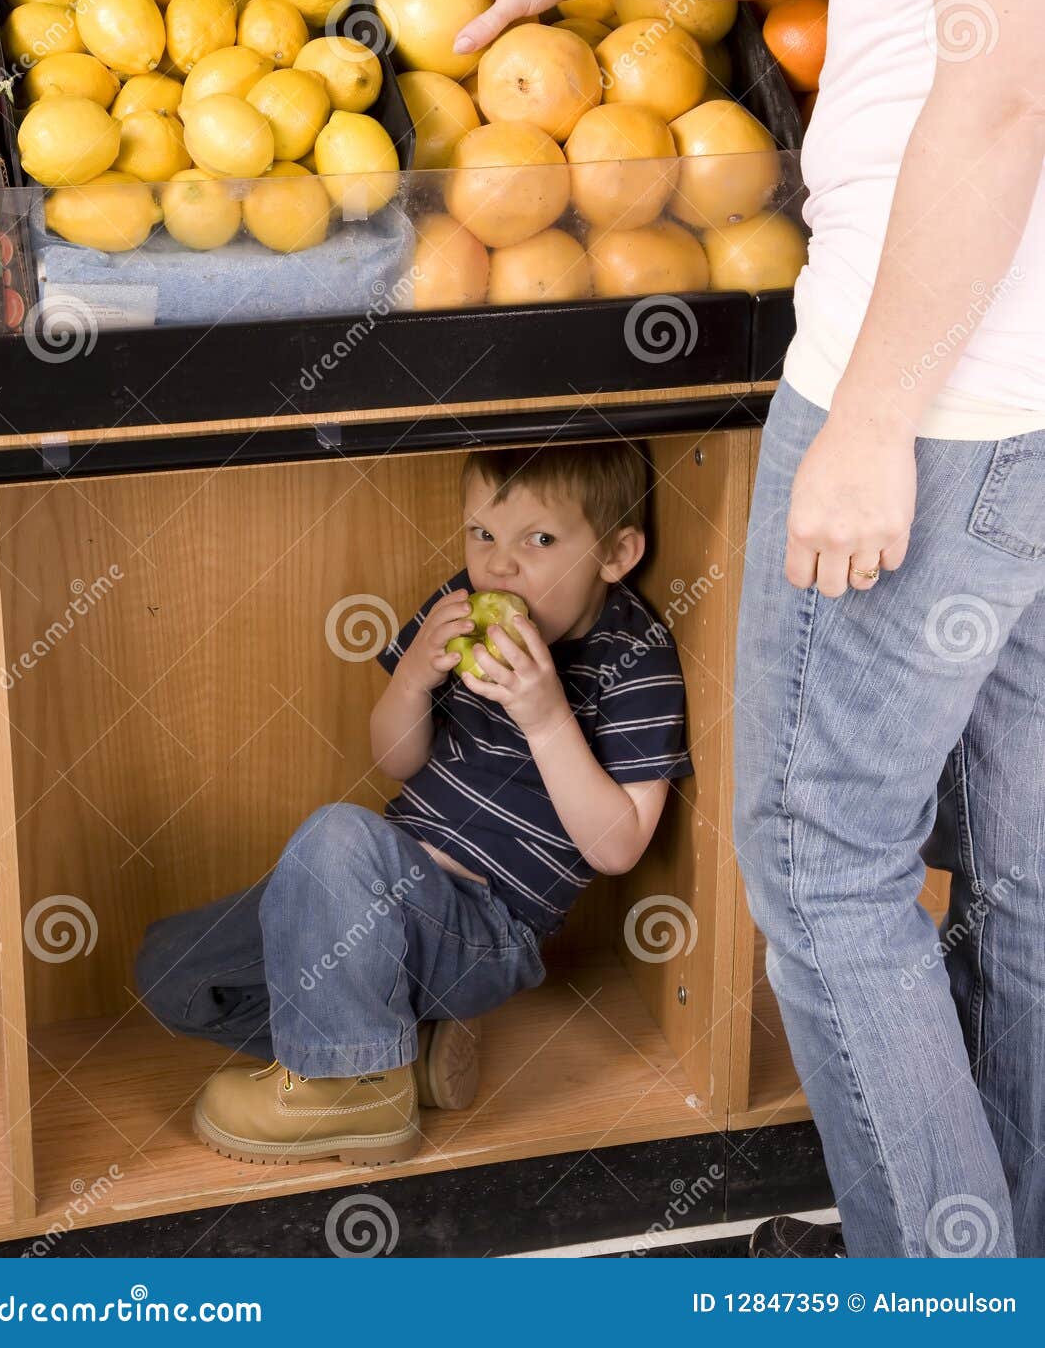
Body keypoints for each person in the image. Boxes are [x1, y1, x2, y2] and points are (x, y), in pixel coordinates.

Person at [389, 0, 1045, 1258]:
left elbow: (1003, 86)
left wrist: (874, 416)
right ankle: (991, 1254)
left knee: (822, 867)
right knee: (1022, 886)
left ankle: (933, 1284)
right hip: (1010, 384)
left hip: (944, 378)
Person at [135, 442, 691, 1166]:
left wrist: (547, 717)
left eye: (540, 540)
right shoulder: (458, 604)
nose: (498, 565)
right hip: (365, 900)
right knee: (171, 970)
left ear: (616, 553)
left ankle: (351, 1092)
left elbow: (616, 849)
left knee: (337, 834)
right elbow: (395, 758)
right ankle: (404, 1049)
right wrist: (413, 681)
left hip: (483, 927)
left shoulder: (635, 657)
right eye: (481, 533)